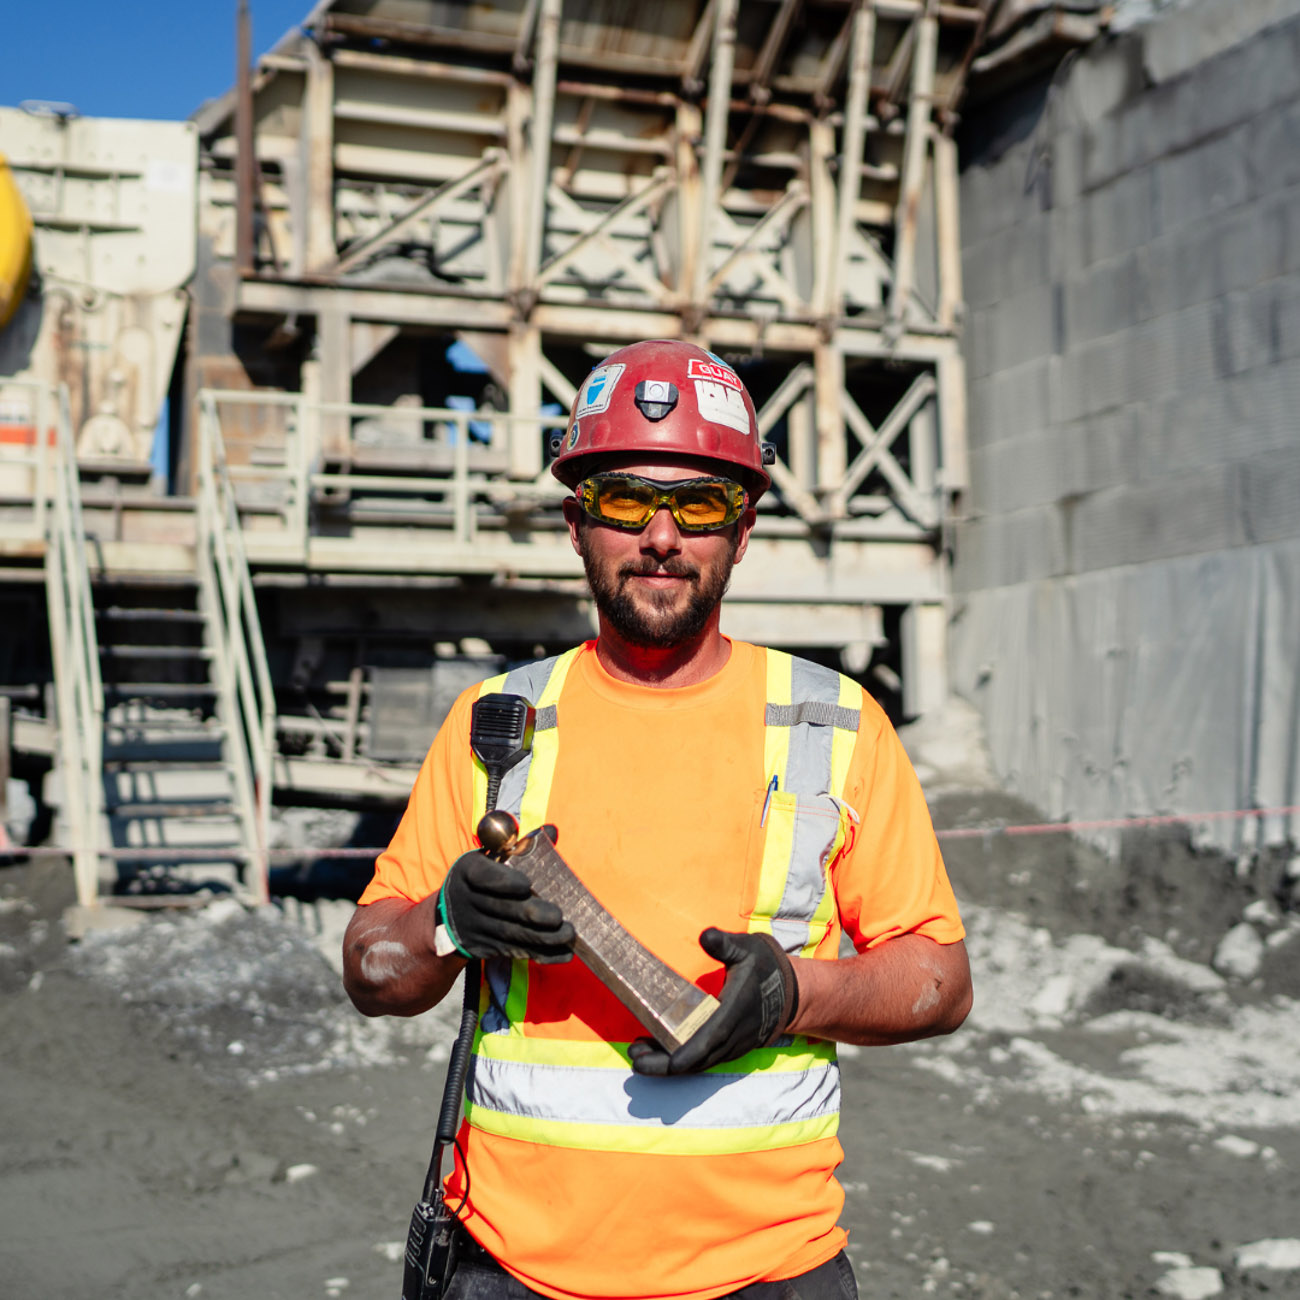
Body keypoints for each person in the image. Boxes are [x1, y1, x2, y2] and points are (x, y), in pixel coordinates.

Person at [343, 338, 972, 1300]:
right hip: (514, 1272)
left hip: (768, 1273)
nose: (663, 536)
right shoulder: (495, 728)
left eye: (702, 504)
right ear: (577, 523)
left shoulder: (837, 725)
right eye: (629, 501)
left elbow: (939, 980)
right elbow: (373, 969)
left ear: (744, 528)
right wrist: (444, 921)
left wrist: (793, 996)